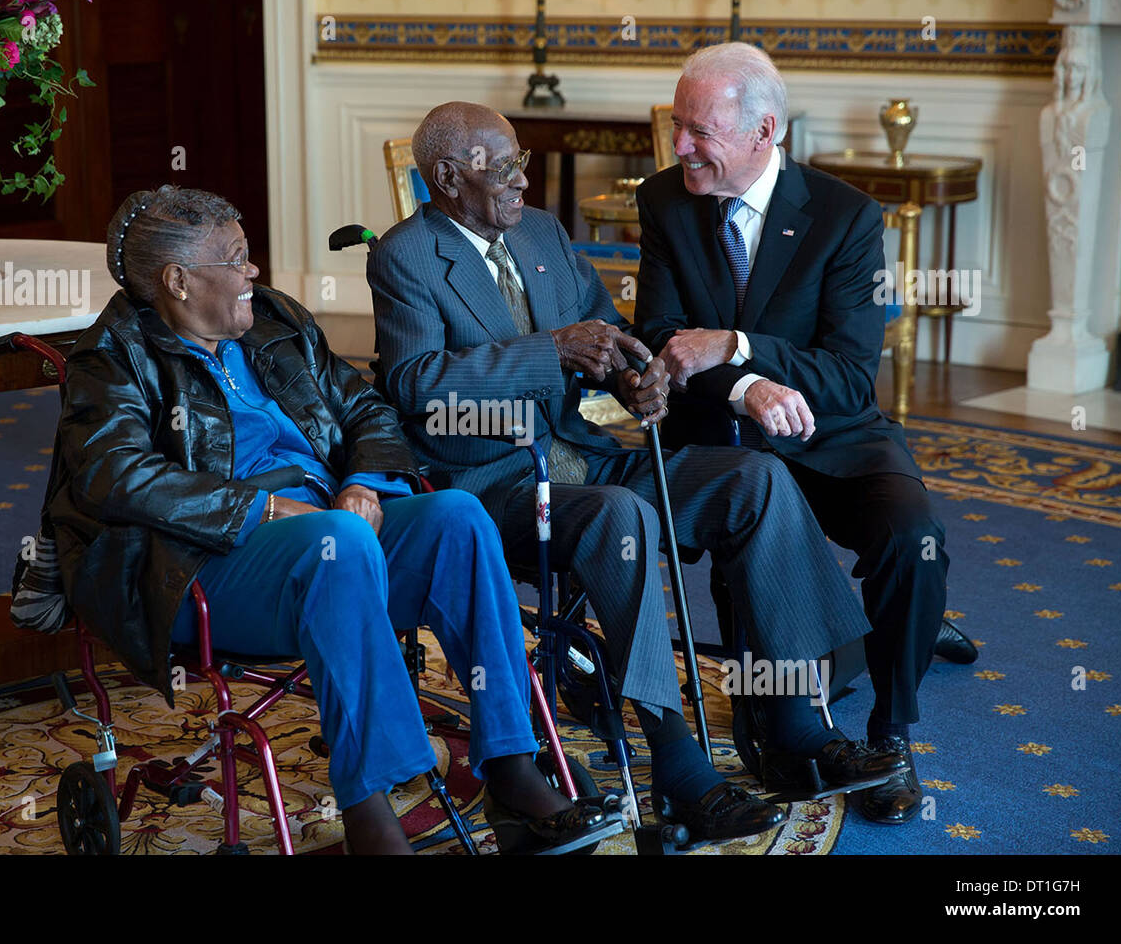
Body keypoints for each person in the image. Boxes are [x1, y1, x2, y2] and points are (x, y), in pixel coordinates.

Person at [367, 102, 908, 843]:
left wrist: (636, 377)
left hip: (580, 456)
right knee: (621, 517)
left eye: (523, 157)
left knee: (753, 478)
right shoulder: (406, 254)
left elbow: (608, 337)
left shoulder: (540, 233)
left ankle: (793, 720)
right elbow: (419, 384)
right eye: (505, 168)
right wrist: (553, 349)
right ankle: (677, 763)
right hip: (490, 483)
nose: (525, 179)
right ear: (448, 179)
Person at [42, 185, 616, 854]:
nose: (253, 271)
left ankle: (514, 769)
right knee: (335, 541)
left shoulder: (277, 322)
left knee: (456, 516)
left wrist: (366, 482)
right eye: (236, 258)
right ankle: (370, 814)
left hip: (331, 533)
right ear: (178, 280)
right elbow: (117, 479)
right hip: (202, 569)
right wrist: (260, 507)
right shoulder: (111, 358)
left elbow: (367, 410)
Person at [633, 42, 950, 825]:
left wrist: (738, 345)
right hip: (727, 439)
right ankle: (788, 717)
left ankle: (891, 730)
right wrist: (745, 384)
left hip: (834, 437)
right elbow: (664, 338)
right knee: (765, 725)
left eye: (698, 131)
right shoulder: (667, 201)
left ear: (764, 131)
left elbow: (847, 375)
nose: (680, 147)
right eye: (678, 126)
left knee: (914, 541)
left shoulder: (844, 216)